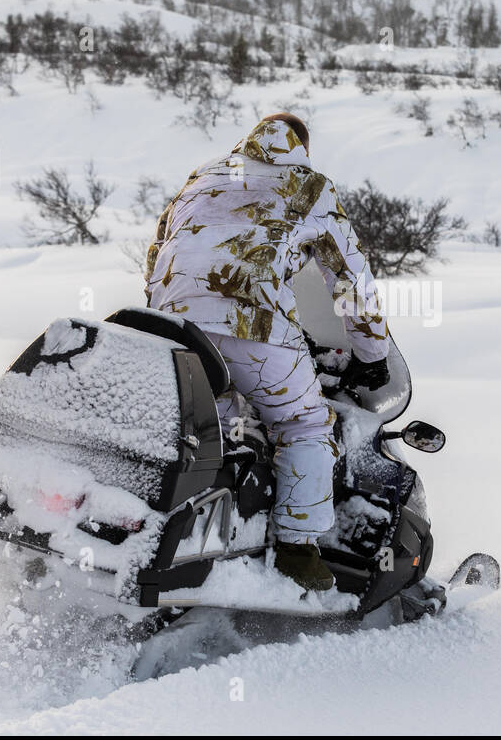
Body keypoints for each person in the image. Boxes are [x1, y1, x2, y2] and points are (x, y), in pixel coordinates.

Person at [144, 114, 390, 591]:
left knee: (210, 426)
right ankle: (297, 551)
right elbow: (349, 278)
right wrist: (372, 353)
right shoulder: (309, 186)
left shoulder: (203, 174)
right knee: (304, 423)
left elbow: (157, 253)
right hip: (252, 324)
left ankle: (210, 534)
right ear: (302, 147)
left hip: (173, 325)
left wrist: (170, 312)